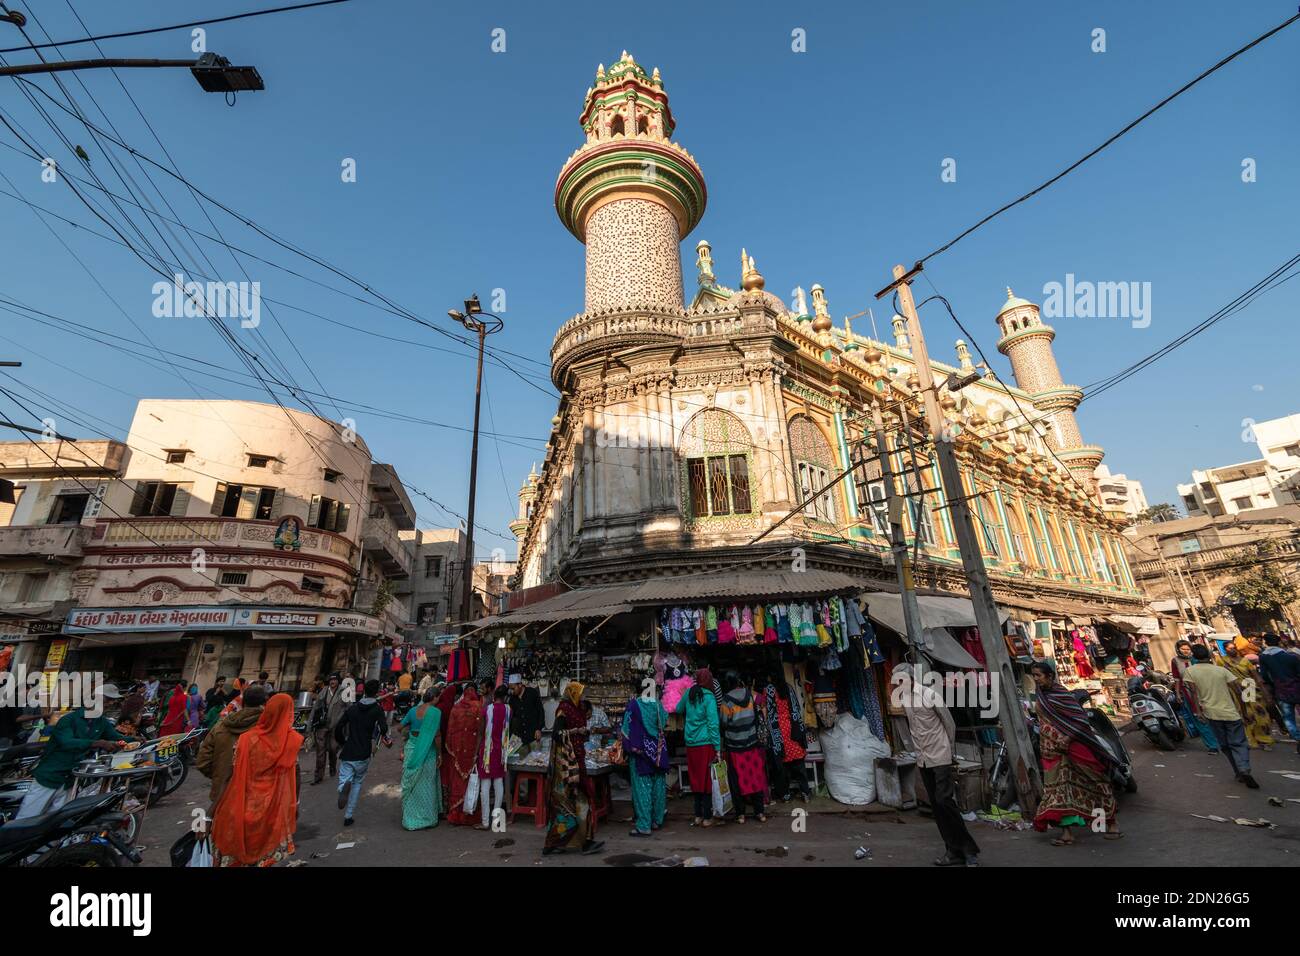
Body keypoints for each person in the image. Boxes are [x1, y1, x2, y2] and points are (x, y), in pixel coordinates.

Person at [1030, 659, 1122, 844]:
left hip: (1073, 746)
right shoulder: (1040, 694)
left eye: (1038, 675)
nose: (1036, 679)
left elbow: (1080, 719)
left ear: (1049, 676)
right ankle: (1067, 833)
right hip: (1051, 750)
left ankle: (1111, 824)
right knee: (1059, 790)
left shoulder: (1060, 693)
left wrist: (1067, 737)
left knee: (1094, 781)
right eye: (1034, 676)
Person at [896, 662, 979, 866]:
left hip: (940, 754)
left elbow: (949, 723)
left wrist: (950, 751)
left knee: (944, 801)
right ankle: (952, 851)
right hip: (923, 758)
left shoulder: (929, 694)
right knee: (937, 806)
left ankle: (969, 851)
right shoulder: (905, 700)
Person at [15, 684, 139, 819]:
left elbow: (116, 737)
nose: (110, 704)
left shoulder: (100, 722)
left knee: (57, 821)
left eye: (113, 701)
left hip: (70, 778)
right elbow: (67, 742)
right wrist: (96, 743)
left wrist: (134, 739)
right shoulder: (69, 720)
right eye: (107, 700)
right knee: (27, 819)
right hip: (50, 776)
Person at [211, 692, 302, 867]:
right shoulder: (290, 742)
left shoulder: (245, 739)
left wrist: (211, 811)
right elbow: (295, 778)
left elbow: (229, 775)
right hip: (270, 812)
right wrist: (294, 805)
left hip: (236, 807)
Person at [1184, 645, 1260, 788]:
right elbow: (1238, 691)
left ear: (1193, 656)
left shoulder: (1190, 672)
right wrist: (1243, 712)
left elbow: (1193, 693)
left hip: (1211, 714)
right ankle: (1244, 768)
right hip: (1231, 713)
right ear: (1208, 655)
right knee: (1239, 743)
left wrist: (1199, 712)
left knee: (1225, 745)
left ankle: (1238, 771)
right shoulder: (1221, 670)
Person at [543, 681, 603, 855]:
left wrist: (583, 731)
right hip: (567, 765)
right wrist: (577, 730)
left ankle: (583, 842)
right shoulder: (564, 709)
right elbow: (557, 734)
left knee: (581, 801)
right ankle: (557, 843)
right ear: (572, 693)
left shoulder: (578, 709)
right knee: (570, 804)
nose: (583, 697)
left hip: (578, 759)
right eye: (580, 693)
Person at [196, 685, 268, 807]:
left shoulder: (221, 726)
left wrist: (219, 775)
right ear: (265, 703)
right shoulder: (269, 727)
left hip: (222, 795)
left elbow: (203, 760)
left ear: (243, 702)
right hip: (255, 797)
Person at [334, 679, 392, 826]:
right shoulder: (377, 709)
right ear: (378, 691)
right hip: (364, 751)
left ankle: (342, 787)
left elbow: (339, 727)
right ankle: (348, 815)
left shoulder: (352, 709)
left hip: (349, 749)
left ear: (364, 690)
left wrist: (342, 742)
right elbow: (384, 728)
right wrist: (379, 735)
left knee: (345, 777)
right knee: (357, 782)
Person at [673, 668, 723, 827]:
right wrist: (718, 747)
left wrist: (683, 694)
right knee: (706, 780)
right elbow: (713, 724)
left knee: (695, 779)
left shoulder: (689, 693)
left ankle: (697, 815)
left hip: (691, 744)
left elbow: (678, 709)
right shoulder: (709, 697)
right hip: (706, 744)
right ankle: (707, 817)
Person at [719, 673, 767, 825]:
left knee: (736, 781)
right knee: (755, 777)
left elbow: (724, 723)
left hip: (734, 747)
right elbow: (754, 717)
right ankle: (760, 812)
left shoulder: (726, 701)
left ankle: (741, 814)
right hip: (751, 743)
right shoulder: (750, 695)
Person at [620, 690, 669, 837]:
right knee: (658, 787)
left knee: (642, 790)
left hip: (640, 752)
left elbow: (626, 728)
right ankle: (657, 820)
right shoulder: (659, 705)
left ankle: (643, 826)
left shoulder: (634, 705)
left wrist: (628, 748)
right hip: (658, 752)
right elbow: (665, 722)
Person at [761, 670, 811, 803]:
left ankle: (785, 795)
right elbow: (796, 707)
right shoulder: (788, 687)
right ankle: (805, 792)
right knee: (799, 765)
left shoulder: (768, 690)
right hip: (793, 730)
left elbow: (765, 711)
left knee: (782, 767)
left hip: (779, 733)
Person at [399, 687, 443, 830]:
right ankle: (427, 819)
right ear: (434, 698)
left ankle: (410, 819)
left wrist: (411, 733)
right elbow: (437, 736)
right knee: (427, 783)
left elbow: (400, 728)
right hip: (428, 751)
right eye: (439, 697)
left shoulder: (412, 711)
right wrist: (439, 754)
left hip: (412, 748)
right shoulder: (436, 713)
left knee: (412, 783)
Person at [1219, 644, 1276, 749]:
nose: (1233, 650)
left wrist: (1266, 693)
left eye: (1234, 647)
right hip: (1235, 690)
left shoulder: (1245, 661)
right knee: (1246, 715)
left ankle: (1264, 739)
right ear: (1225, 650)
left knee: (1260, 714)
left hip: (1250, 687)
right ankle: (1251, 739)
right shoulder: (1222, 661)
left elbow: (1255, 675)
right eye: (1230, 648)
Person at [444, 684, 485, 825]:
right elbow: (481, 731)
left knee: (457, 781)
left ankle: (456, 814)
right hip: (472, 750)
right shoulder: (479, 707)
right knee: (471, 781)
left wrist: (453, 750)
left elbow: (450, 731)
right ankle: (470, 813)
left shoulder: (455, 708)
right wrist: (477, 751)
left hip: (458, 751)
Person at [1170, 640, 1219, 753]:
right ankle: (1212, 745)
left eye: (1188, 649)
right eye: (1183, 649)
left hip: (1205, 690)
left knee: (1212, 714)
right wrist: (1177, 693)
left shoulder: (1197, 659)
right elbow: (1177, 678)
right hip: (1188, 693)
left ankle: (1220, 740)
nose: (1186, 652)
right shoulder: (1175, 661)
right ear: (1178, 649)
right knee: (1198, 717)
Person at [475, 686, 511, 830]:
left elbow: (480, 732)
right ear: (505, 697)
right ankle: (497, 822)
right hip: (501, 750)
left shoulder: (487, 709)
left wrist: (476, 752)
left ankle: (485, 822)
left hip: (487, 751)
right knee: (498, 783)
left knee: (485, 785)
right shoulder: (508, 709)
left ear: (494, 695)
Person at [1258, 634, 1300, 747]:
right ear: (1279, 643)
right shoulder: (1291, 656)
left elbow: (1264, 675)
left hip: (1280, 690)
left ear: (1266, 643)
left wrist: (1271, 685)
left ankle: (1297, 737)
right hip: (1296, 687)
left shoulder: (1263, 657)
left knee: (1288, 716)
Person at [309, 673, 348, 783]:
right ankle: (318, 776)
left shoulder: (344, 691)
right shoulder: (324, 691)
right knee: (320, 751)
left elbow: (349, 708)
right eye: (331, 680)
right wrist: (310, 725)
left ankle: (332, 766)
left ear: (338, 681)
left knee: (332, 749)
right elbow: (315, 707)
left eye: (335, 680)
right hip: (322, 725)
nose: (332, 682)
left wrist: (344, 722)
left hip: (336, 726)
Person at [508, 674, 545, 755]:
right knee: (521, 761)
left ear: (520, 685)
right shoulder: (512, 699)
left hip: (533, 735)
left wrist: (539, 728)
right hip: (520, 738)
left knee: (535, 760)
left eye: (513, 688)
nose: (512, 691)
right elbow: (512, 718)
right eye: (510, 689)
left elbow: (540, 711)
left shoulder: (532, 693)